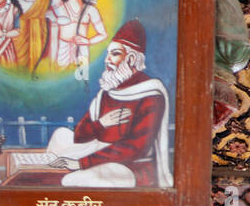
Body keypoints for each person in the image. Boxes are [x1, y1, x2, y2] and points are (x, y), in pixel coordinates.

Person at [43, 20, 172, 188]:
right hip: (97, 152)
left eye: (115, 54)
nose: (107, 60)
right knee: (60, 135)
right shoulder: (108, 90)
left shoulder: (150, 94)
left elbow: (136, 148)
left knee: (72, 180)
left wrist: (82, 162)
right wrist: (101, 124)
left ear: (131, 58)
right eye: (108, 54)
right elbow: (80, 134)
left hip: (129, 165)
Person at [49, 0, 107, 71]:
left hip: (82, 50)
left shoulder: (90, 10)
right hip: (61, 49)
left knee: (81, 78)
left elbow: (103, 34)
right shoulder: (59, 7)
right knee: (59, 76)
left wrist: (88, 41)